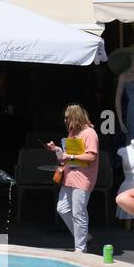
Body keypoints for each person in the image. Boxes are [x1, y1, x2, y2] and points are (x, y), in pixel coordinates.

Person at [45, 103, 100, 254]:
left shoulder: (89, 133)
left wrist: (68, 156)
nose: (66, 121)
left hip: (83, 177)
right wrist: (57, 150)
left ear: (75, 117)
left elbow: (91, 156)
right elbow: (68, 157)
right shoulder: (73, 132)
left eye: (68, 118)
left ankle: (80, 248)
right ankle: (85, 237)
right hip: (69, 176)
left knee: (78, 212)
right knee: (62, 208)